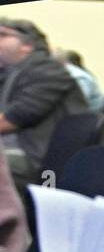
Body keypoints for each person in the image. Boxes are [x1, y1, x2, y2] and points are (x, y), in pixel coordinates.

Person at [0, 18, 89, 188]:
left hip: (41, 160)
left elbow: (14, 119)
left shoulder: (47, 70)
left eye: (2, 34)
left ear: (27, 45)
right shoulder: (13, 72)